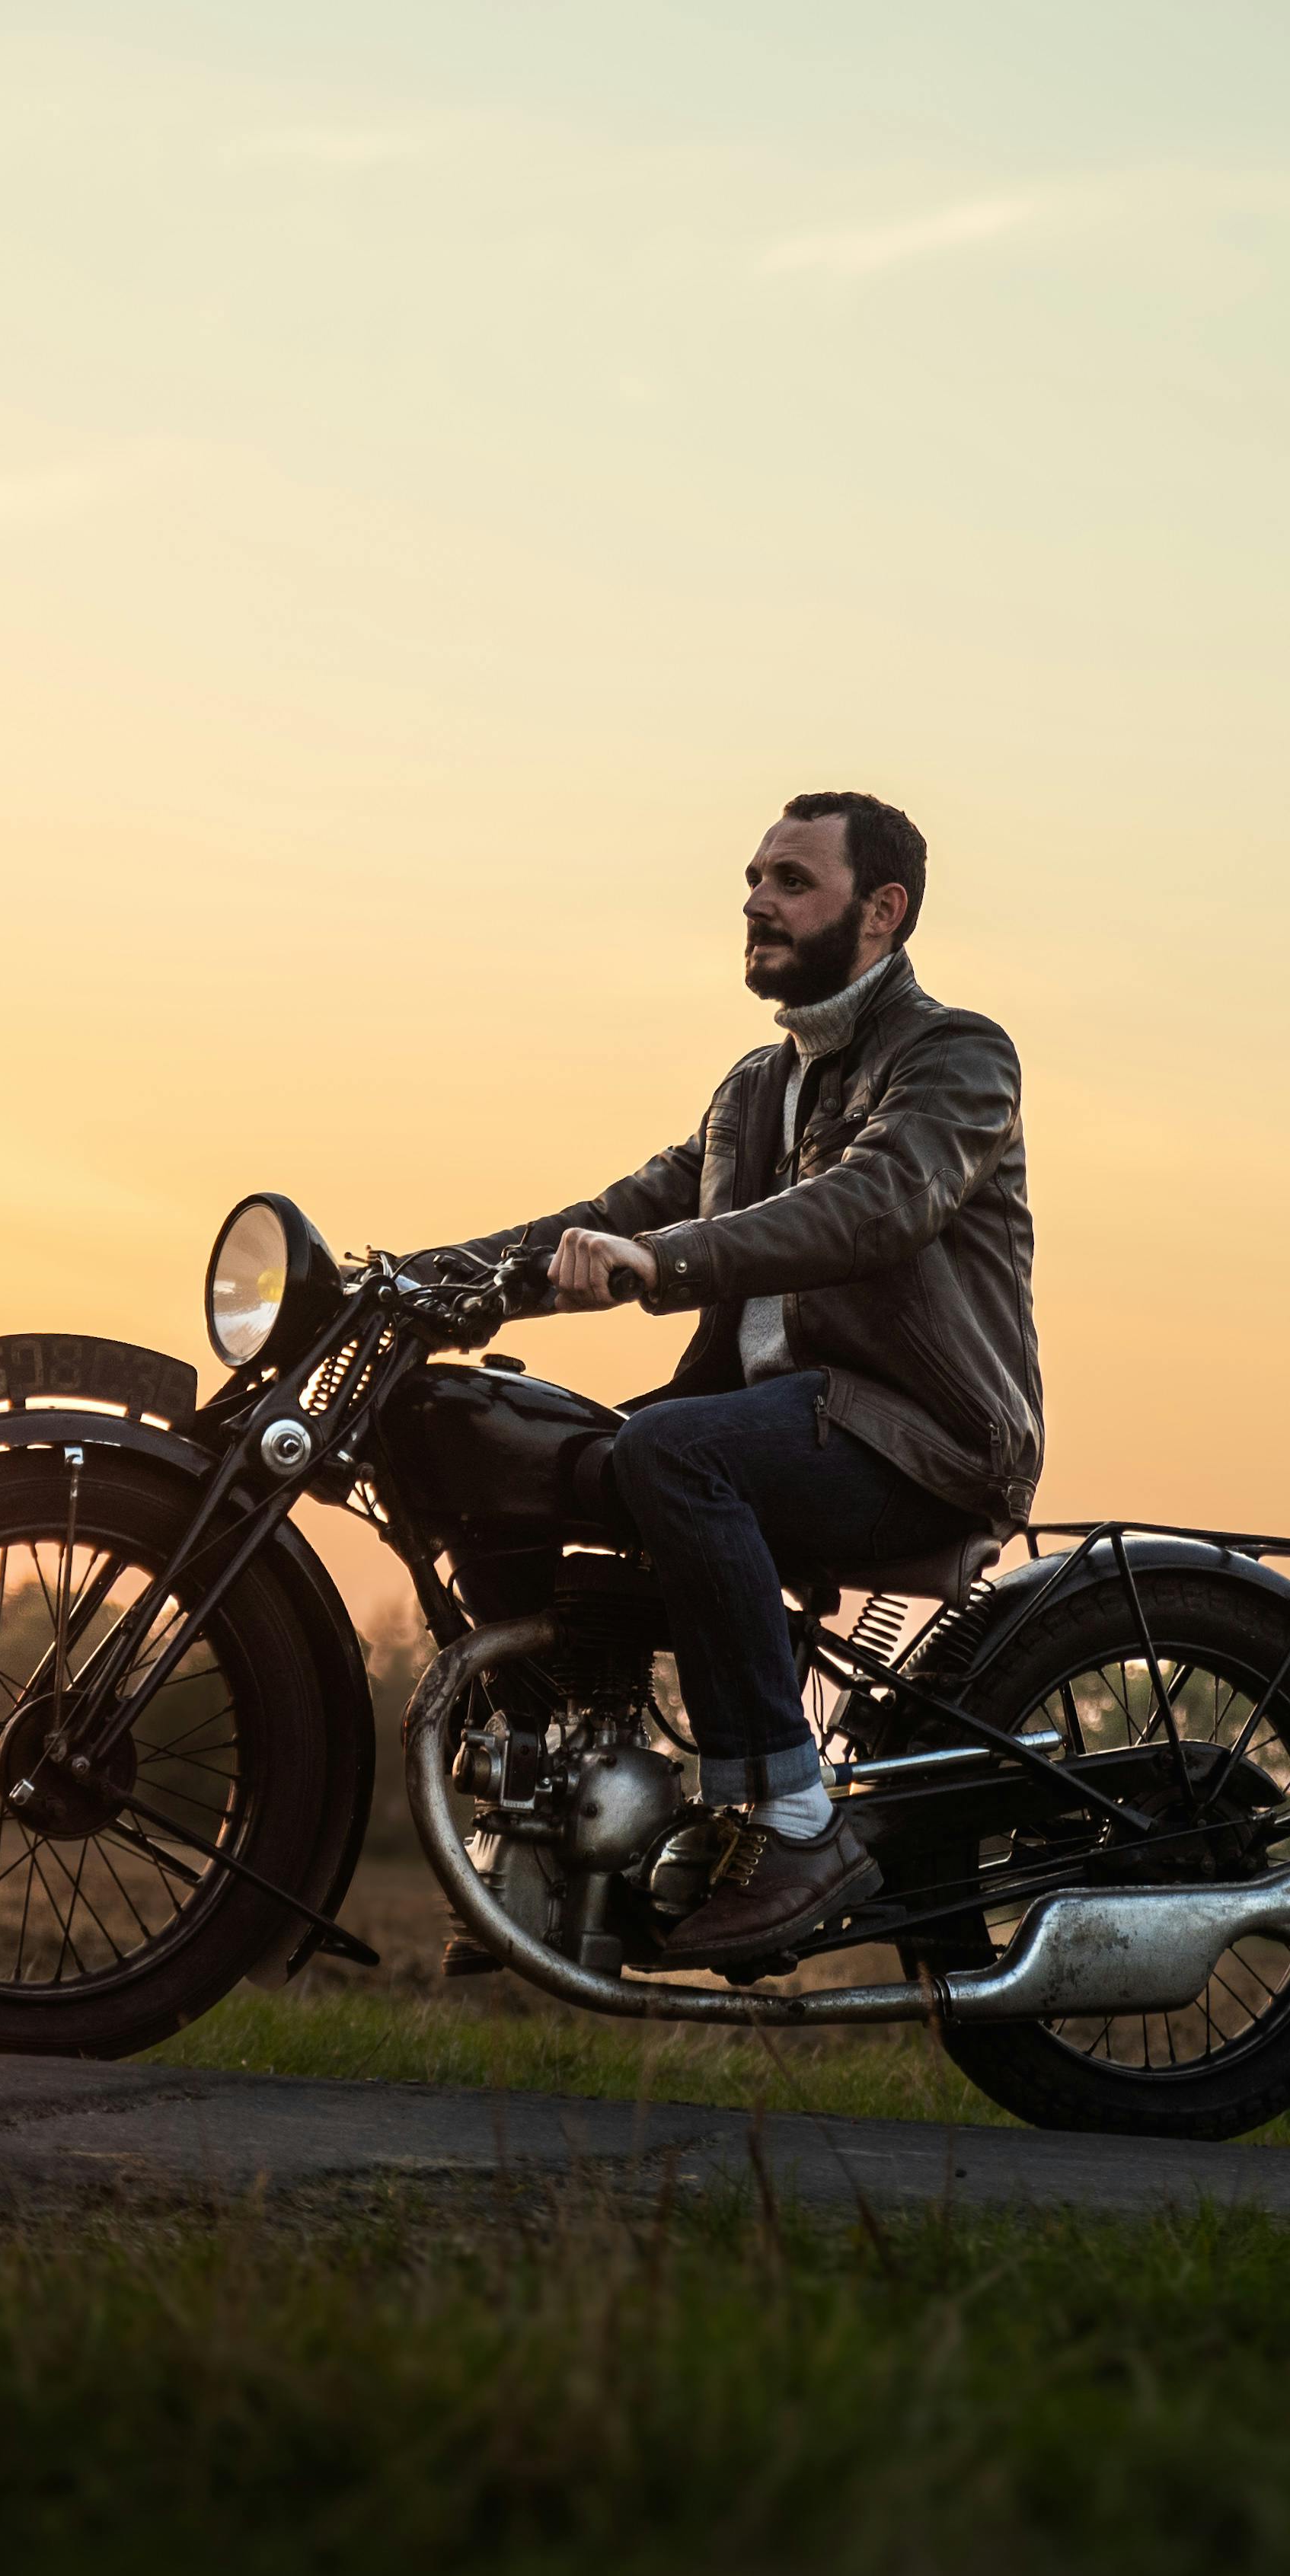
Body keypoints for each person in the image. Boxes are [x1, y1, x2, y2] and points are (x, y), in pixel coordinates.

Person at [455, 791, 1043, 1968]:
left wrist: (659, 1265)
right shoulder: (755, 1090)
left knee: (676, 1448)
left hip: (920, 1441)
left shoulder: (955, 1057)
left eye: (790, 881)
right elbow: (610, 1216)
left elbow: (876, 1203)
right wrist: (416, 1282)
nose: (755, 901)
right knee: (492, 1446)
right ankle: (541, 1795)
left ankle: (794, 1822)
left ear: (883, 912)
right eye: (753, 879)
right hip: (785, 1434)